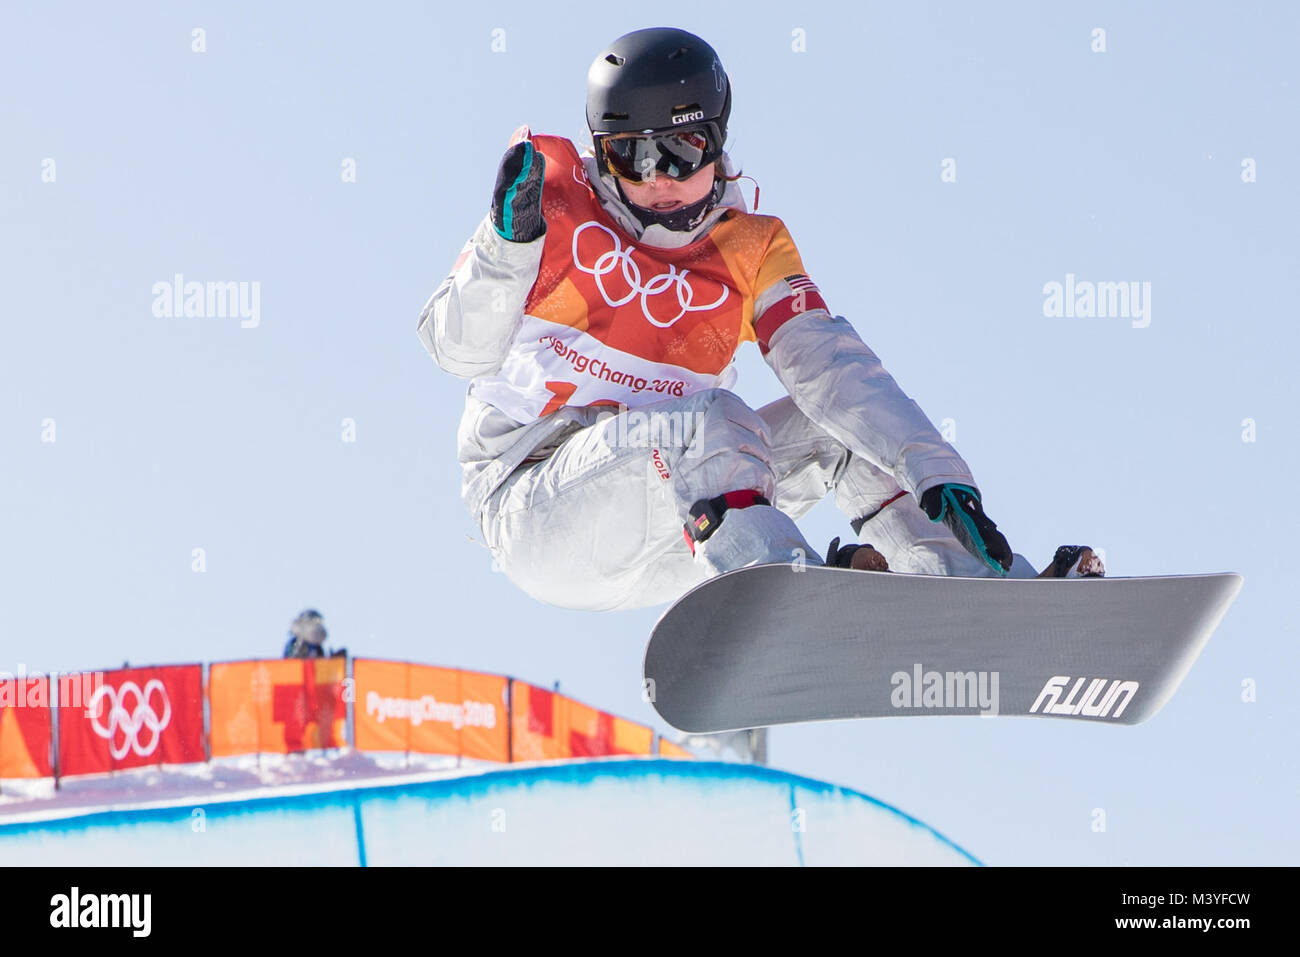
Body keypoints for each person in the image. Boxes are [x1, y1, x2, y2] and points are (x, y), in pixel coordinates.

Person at [417, 27, 1102, 613]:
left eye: (679, 152)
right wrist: (507, 247)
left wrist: (933, 468)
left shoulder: (748, 250)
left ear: (715, 143)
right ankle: (791, 600)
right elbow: (456, 350)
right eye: (633, 154)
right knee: (710, 418)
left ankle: (987, 594)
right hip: (536, 504)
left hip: (685, 521)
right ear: (602, 154)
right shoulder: (552, 206)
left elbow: (832, 369)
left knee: (838, 435)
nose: (657, 178)